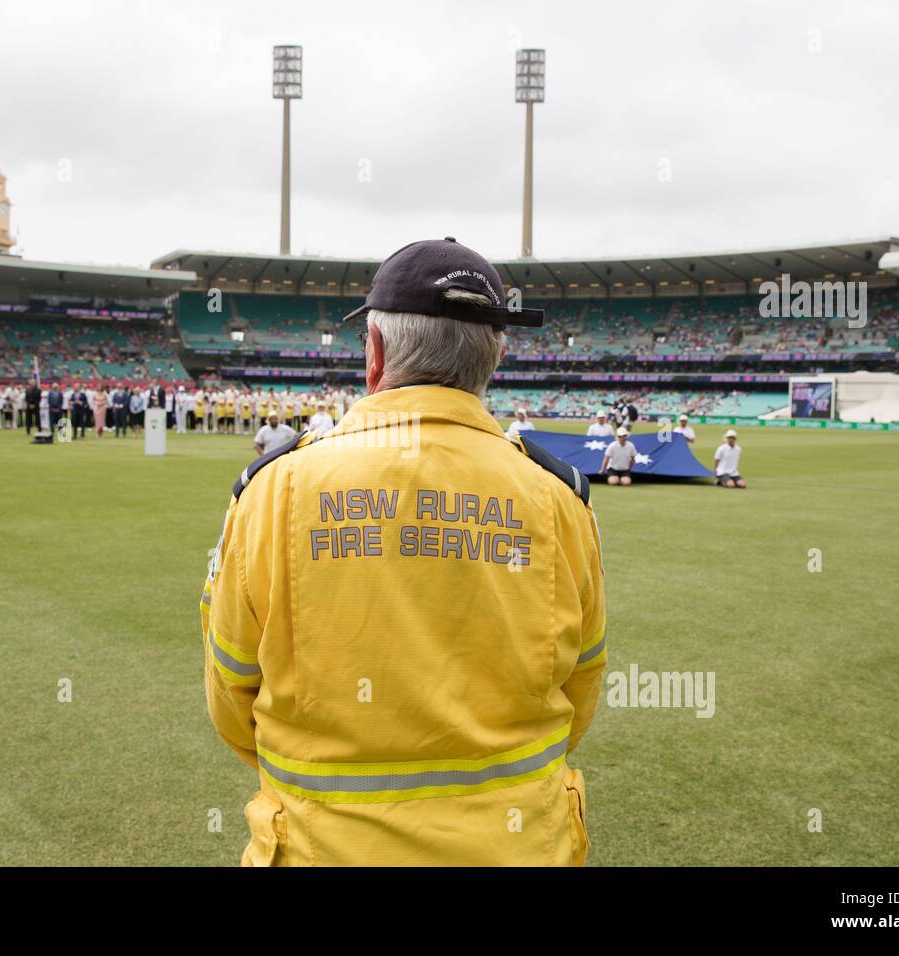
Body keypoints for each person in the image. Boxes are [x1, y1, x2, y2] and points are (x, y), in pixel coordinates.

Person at [203, 237, 605, 866]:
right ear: (493, 357)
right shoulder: (559, 499)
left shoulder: (276, 490)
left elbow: (232, 689)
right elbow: (581, 685)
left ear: (377, 352)